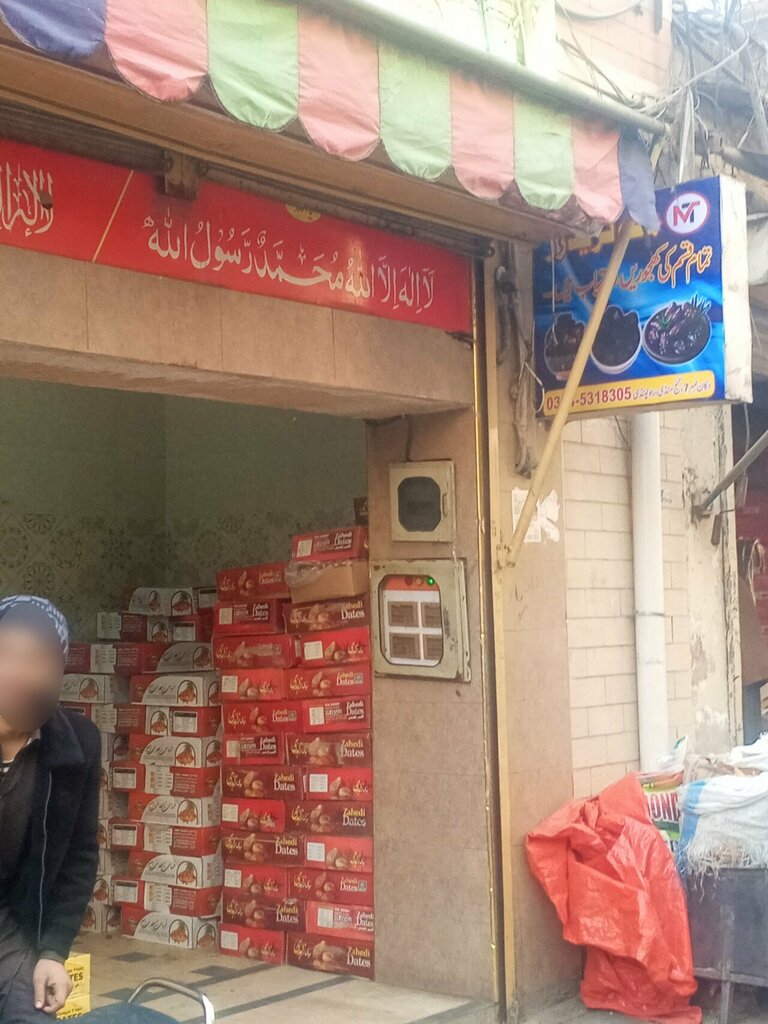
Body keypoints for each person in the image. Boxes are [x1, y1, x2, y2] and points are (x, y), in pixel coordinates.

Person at [0, 596, 100, 1021]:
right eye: (9, 654)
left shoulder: (76, 743)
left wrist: (54, 952)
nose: (24, 671)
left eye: (40, 658)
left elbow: (79, 854)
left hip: (11, 927)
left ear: (61, 669)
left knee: (31, 1013)